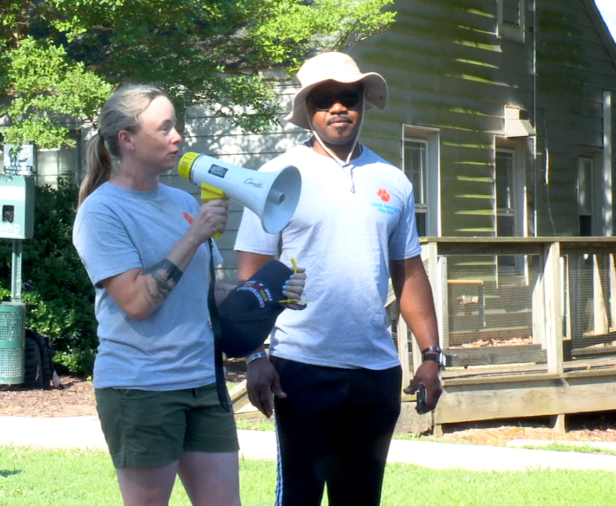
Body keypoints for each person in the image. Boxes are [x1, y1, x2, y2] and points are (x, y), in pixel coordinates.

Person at [72, 84, 304, 506]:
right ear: (127, 139)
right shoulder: (101, 212)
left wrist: (263, 293)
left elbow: (199, 290)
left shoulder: (180, 200)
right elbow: (138, 302)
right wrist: (194, 234)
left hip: (203, 382)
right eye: (163, 129)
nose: (177, 136)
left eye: (175, 125)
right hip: (141, 389)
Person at [234, 52, 444, 506]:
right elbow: (251, 272)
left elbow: (408, 272)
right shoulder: (275, 176)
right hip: (298, 368)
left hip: (376, 371)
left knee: (361, 497)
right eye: (323, 99)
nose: (337, 108)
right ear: (307, 109)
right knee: (301, 496)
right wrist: (256, 355)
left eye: (348, 98)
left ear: (364, 103)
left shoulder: (393, 181)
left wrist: (431, 356)